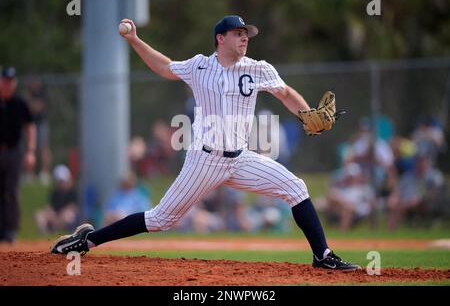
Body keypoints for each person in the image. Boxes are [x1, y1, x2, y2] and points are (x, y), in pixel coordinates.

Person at [51, 16, 360, 270]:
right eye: (238, 33)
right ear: (220, 39)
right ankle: (88, 240)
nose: (244, 38)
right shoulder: (200, 66)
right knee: (161, 219)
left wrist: (306, 114)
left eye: (246, 34)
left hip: (240, 160)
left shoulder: (259, 68)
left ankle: (323, 257)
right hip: (205, 160)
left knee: (297, 188)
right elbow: (163, 66)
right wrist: (134, 40)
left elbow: (286, 93)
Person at [0, 66, 36, 243]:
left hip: (13, 151)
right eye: (5, 80)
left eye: (11, 81)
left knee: (12, 191)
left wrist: (30, 151)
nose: (8, 84)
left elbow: (30, 126)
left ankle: (11, 231)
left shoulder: (19, 103)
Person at [35, 164, 78, 234]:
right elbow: (49, 206)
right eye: (60, 181)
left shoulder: (72, 192)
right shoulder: (54, 193)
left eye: (63, 181)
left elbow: (72, 207)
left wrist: (60, 215)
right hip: (55, 216)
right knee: (39, 215)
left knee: (66, 215)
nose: (61, 183)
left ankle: (57, 232)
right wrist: (51, 214)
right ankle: (44, 234)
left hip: (65, 216)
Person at [25, 77, 52, 184]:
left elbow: (38, 107)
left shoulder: (43, 94)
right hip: (31, 124)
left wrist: (32, 105)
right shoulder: (28, 95)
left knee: (43, 147)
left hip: (41, 124)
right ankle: (29, 173)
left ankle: (44, 172)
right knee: (30, 148)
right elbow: (28, 107)